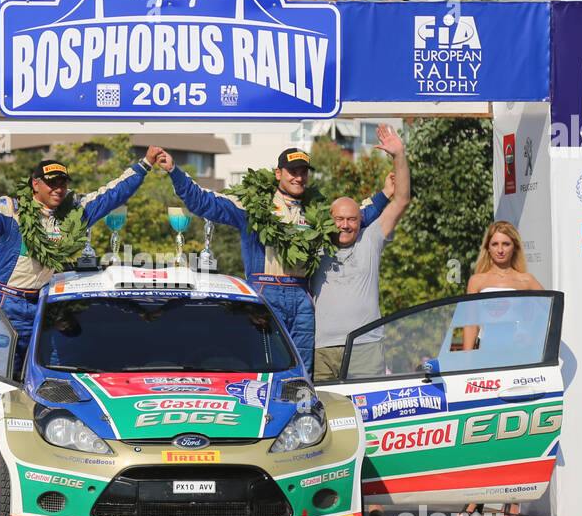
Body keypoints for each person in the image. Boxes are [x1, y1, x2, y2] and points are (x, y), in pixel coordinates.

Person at [151, 144, 390, 375]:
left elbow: (355, 216)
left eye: (303, 173)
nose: (298, 178)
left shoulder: (317, 212)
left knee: (301, 370)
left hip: (302, 298)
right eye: (292, 172)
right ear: (279, 173)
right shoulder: (253, 205)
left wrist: (386, 194)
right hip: (265, 293)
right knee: (263, 366)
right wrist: (174, 171)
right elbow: (204, 202)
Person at [0, 141, 156, 375]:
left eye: (63, 183)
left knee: (44, 372)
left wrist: (145, 164)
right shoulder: (11, 210)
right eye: (51, 183)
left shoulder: (74, 212)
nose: (58, 188)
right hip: (3, 301)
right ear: (35, 184)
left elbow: (111, 195)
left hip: (43, 303)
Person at [311, 125, 412, 381]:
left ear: (361, 220)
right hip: (322, 348)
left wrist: (399, 156)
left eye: (353, 219)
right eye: (339, 219)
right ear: (329, 219)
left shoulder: (371, 239)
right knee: (323, 412)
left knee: (367, 413)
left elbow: (401, 200)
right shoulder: (313, 245)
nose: (345, 225)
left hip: (366, 347)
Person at [460, 220, 543, 516]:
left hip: (518, 362)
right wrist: (468, 363)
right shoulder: (477, 281)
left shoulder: (527, 281)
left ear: (514, 247)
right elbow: (469, 323)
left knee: (515, 428)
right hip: (487, 359)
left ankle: (513, 498)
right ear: (487, 247)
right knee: (484, 429)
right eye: (494, 244)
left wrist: (533, 346)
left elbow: (546, 317)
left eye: (505, 244)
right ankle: (477, 496)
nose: (499, 249)